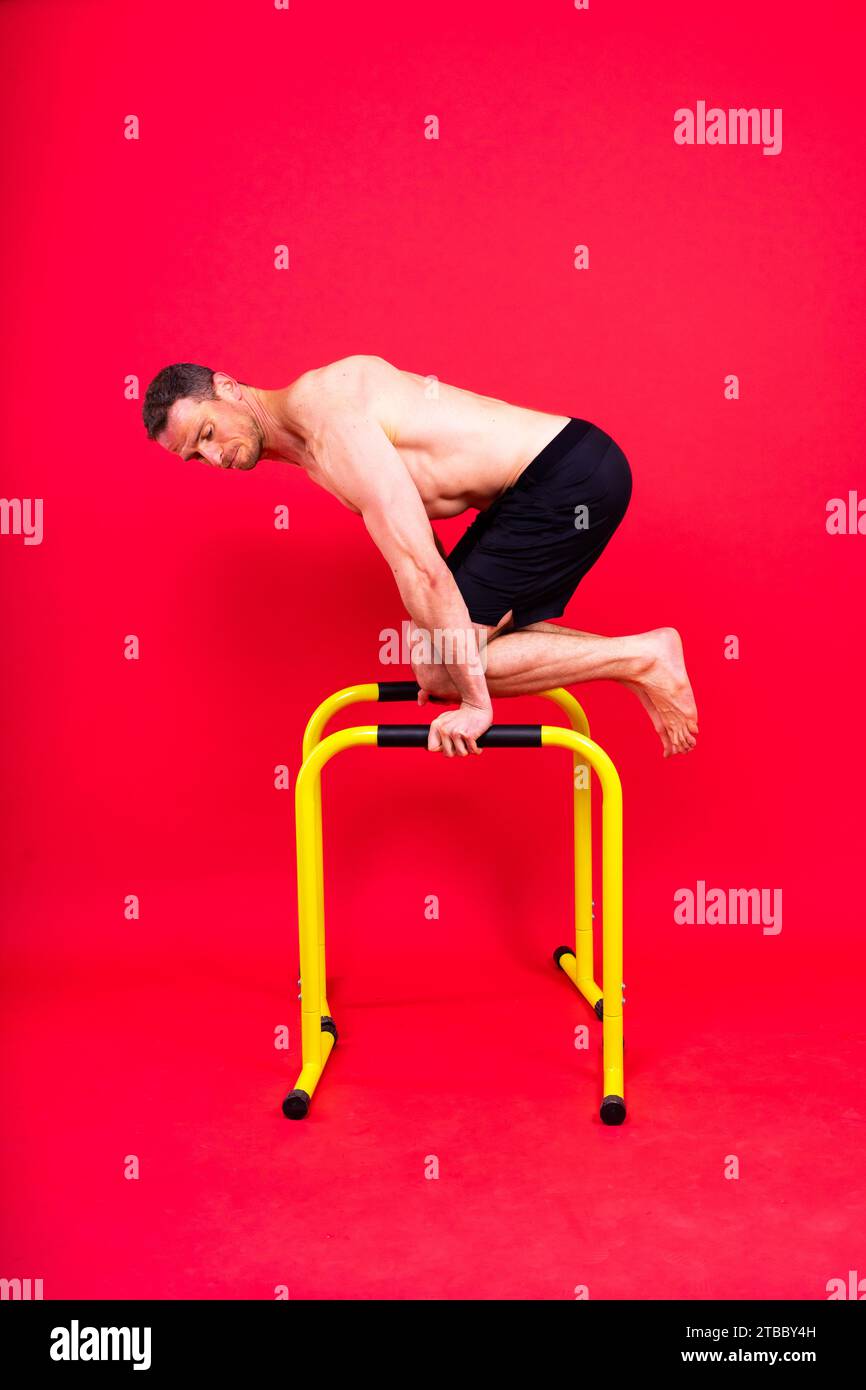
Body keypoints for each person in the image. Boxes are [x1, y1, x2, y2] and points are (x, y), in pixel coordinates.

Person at [142, 355, 698, 758]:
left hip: (563, 478)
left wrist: (474, 700)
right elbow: (424, 541)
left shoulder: (325, 415)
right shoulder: (311, 449)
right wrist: (444, 644)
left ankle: (644, 656)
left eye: (208, 432)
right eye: (197, 456)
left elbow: (418, 566)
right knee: (440, 656)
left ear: (227, 386)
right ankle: (640, 659)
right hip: (543, 482)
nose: (214, 457)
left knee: (442, 667)